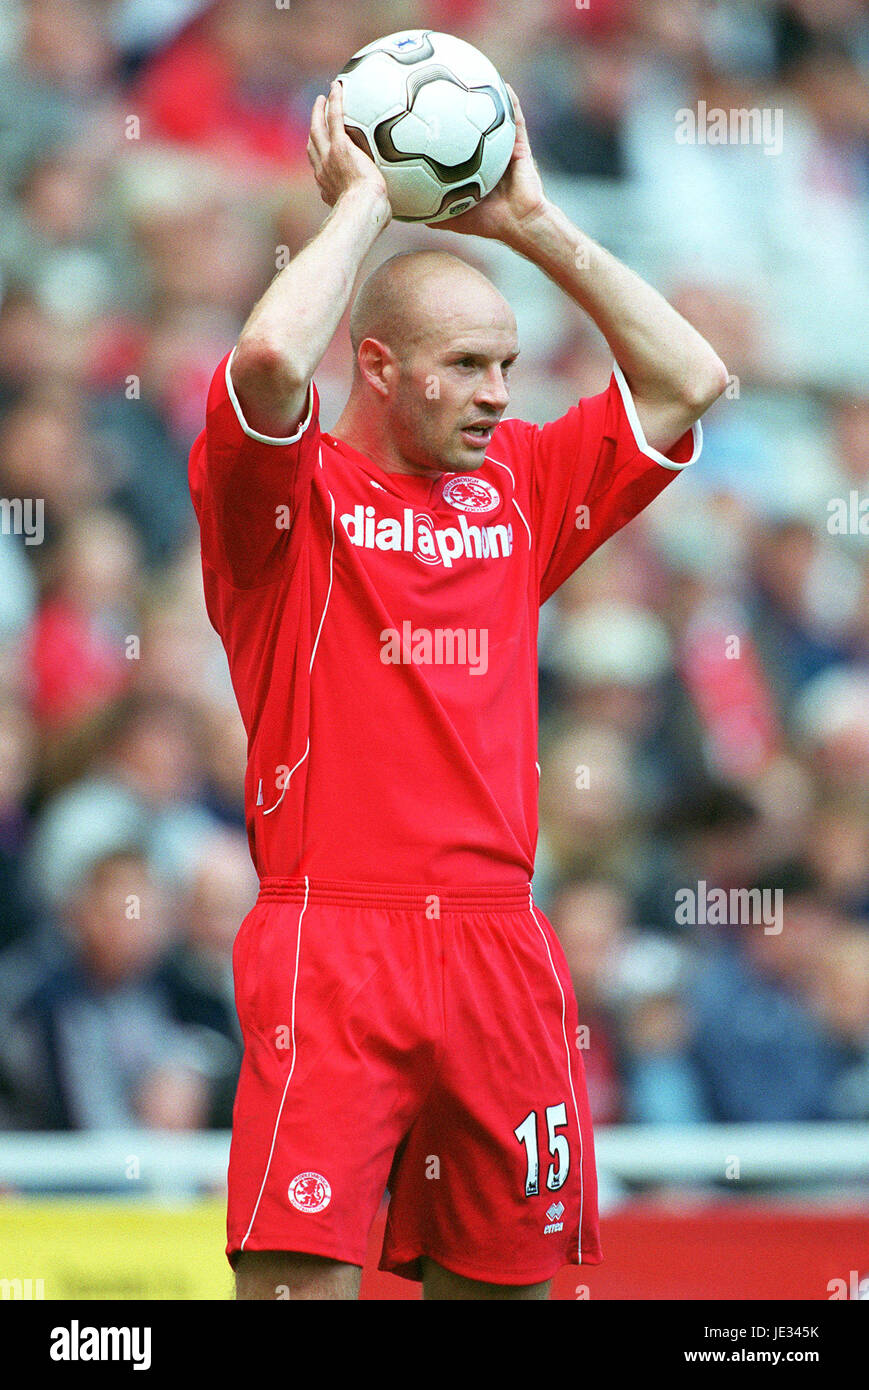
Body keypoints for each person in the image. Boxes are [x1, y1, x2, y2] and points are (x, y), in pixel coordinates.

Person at [188, 80, 727, 1301]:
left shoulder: (521, 488)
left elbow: (690, 378)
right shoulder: (286, 505)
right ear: (376, 369)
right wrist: (366, 206)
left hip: (499, 946)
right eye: (468, 366)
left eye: (508, 365)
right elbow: (273, 354)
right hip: (332, 938)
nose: (498, 393)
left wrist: (531, 223)